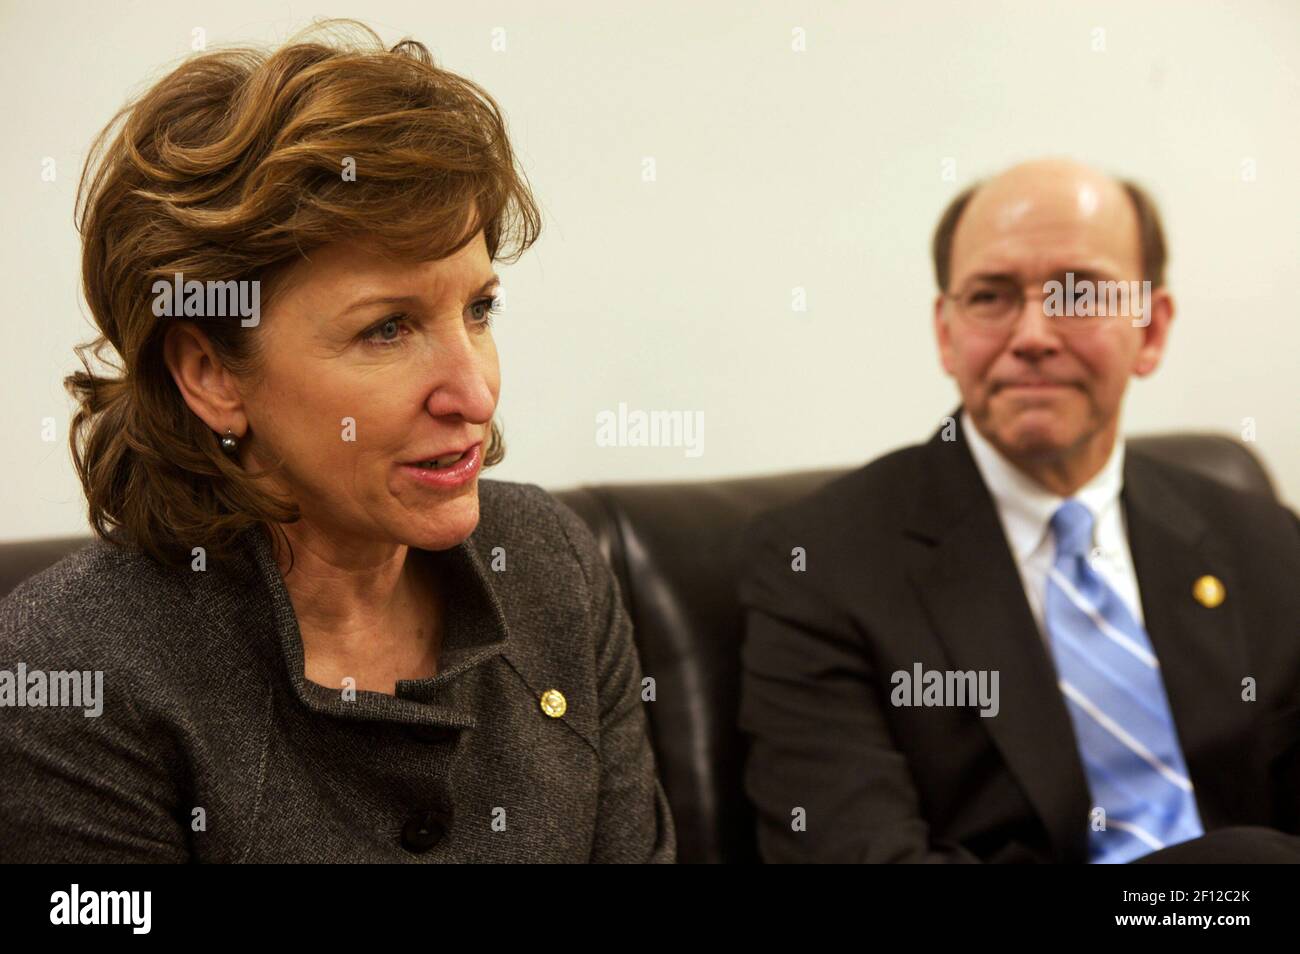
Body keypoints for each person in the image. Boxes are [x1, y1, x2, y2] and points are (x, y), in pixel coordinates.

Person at [0, 21, 674, 863]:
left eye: (479, 310)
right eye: (388, 329)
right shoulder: (71, 673)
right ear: (212, 374)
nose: (475, 393)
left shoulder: (550, 567)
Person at [738, 158, 1300, 863]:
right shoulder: (821, 563)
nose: (1033, 334)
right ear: (946, 333)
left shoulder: (1261, 539)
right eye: (990, 296)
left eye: (1079, 293)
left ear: (1151, 330)